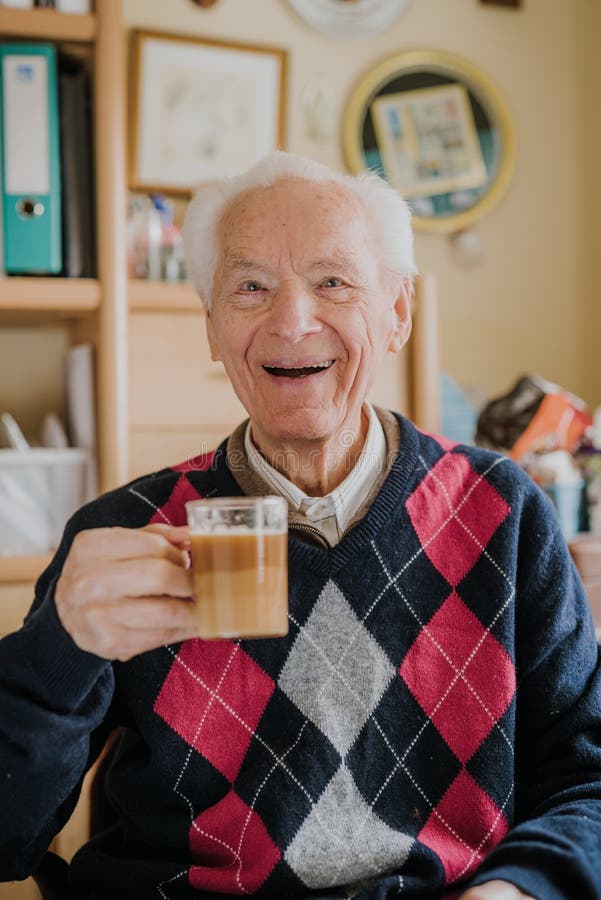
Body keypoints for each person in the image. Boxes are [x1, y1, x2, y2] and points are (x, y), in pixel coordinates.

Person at [1, 152, 600, 900]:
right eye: (249, 287)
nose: (291, 321)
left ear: (397, 313)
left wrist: (517, 889)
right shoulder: (123, 534)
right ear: (212, 327)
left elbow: (589, 781)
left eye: (332, 282)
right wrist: (56, 651)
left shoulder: (502, 511)